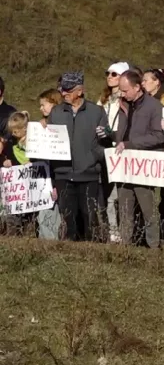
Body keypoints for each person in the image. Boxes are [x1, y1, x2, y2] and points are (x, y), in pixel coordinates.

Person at [48, 71, 110, 242]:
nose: (63, 93)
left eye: (68, 90)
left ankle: (90, 249)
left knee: (90, 217)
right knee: (68, 217)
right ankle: (68, 249)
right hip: (63, 174)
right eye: (62, 89)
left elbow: (105, 140)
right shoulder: (56, 112)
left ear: (80, 91)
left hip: (88, 174)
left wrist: (96, 154)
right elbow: (48, 141)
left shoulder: (96, 111)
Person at [114, 69, 164, 249]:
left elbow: (159, 136)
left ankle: (154, 246)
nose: (122, 94)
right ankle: (125, 245)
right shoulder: (124, 105)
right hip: (123, 163)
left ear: (137, 87)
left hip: (143, 164)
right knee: (124, 206)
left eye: (125, 90)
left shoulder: (154, 106)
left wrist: (130, 144)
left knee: (148, 207)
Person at [98, 62, 129, 243]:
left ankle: (127, 230)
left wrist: (112, 133)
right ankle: (113, 231)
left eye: (114, 74)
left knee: (121, 195)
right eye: (108, 73)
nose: (109, 76)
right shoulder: (103, 99)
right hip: (105, 150)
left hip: (122, 150)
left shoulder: (127, 100)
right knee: (109, 195)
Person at [36, 89, 63, 240]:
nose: (41, 108)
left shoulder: (62, 126)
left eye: (43, 105)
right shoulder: (40, 125)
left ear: (54, 104)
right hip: (44, 178)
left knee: (53, 217)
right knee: (44, 217)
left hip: (58, 175)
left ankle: (52, 245)